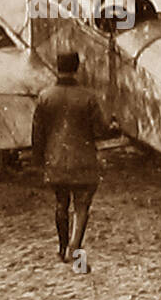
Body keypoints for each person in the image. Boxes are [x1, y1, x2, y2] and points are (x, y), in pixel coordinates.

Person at [31, 50, 108, 266]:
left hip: (55, 161)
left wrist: (39, 160)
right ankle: (75, 247)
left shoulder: (45, 96)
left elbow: (37, 134)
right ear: (77, 68)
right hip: (83, 161)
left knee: (61, 203)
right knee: (82, 206)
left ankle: (62, 247)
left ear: (57, 67)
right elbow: (100, 131)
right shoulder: (88, 97)